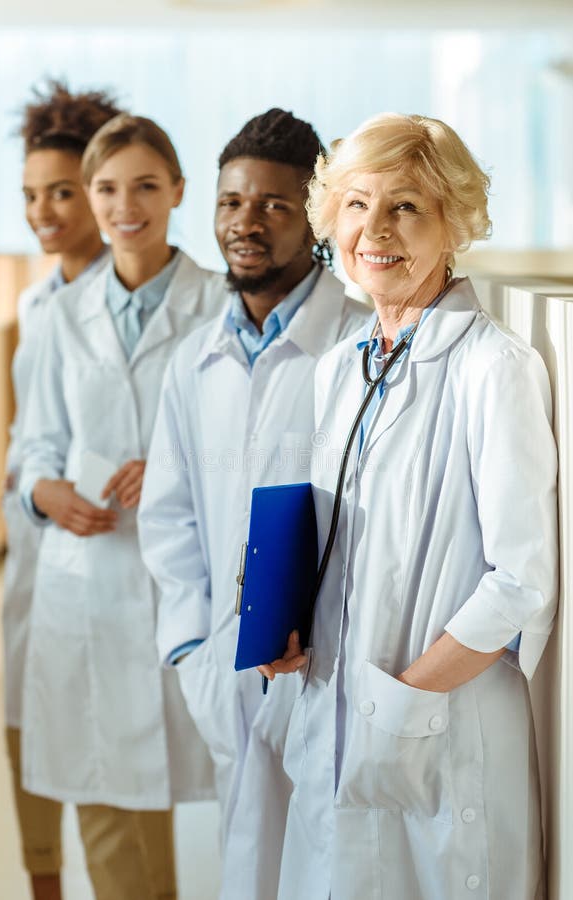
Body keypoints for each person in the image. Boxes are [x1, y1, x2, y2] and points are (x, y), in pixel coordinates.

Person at [258, 113, 559, 900]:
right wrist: (291, 621)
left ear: (452, 224)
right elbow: (344, 551)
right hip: (335, 713)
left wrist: (401, 702)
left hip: (437, 731)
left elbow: (520, 581)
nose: (374, 230)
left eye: (405, 207)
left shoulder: (492, 369)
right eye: (356, 204)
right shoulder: (341, 367)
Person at [138, 108, 369, 900]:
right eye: (232, 202)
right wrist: (188, 650)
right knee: (245, 861)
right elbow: (168, 518)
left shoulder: (359, 345)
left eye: (273, 205)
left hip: (324, 664)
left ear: (314, 219)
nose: (246, 223)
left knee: (325, 859)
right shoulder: (191, 361)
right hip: (221, 663)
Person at [19, 113, 221, 900]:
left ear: (177, 191)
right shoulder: (61, 316)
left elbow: (254, 444)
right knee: (105, 801)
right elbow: (36, 444)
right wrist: (47, 492)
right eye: (106, 187)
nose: (123, 204)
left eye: (144, 184)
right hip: (90, 579)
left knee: (220, 803)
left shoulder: (217, 307)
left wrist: (173, 467)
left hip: (183, 580)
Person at [2, 79, 121, 900]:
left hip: (110, 559)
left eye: (63, 192)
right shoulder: (34, 302)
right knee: (27, 736)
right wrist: (36, 489)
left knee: (104, 751)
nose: (43, 211)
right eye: (30, 195)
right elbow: (22, 446)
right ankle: (43, 886)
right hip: (36, 555)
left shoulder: (134, 296)